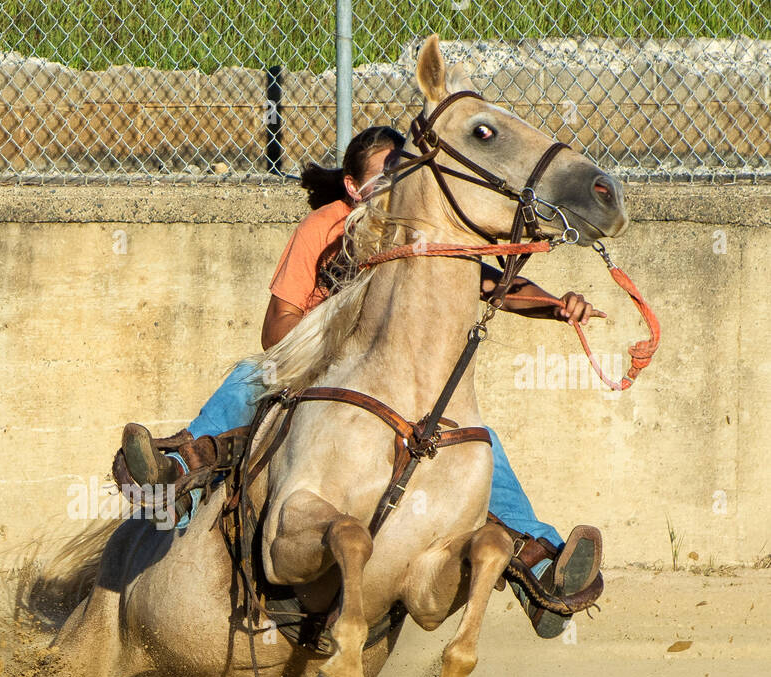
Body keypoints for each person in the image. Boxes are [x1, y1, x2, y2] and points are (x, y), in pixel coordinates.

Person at [116, 126, 603, 638]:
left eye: (403, 172)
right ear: (352, 187)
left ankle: (537, 561)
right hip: (318, 367)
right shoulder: (324, 227)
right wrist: (333, 329)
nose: (396, 184)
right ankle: (178, 474)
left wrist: (554, 306)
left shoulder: (418, 237)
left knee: (472, 438)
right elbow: (274, 328)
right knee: (249, 376)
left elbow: (492, 281)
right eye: (384, 175)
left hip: (390, 383)